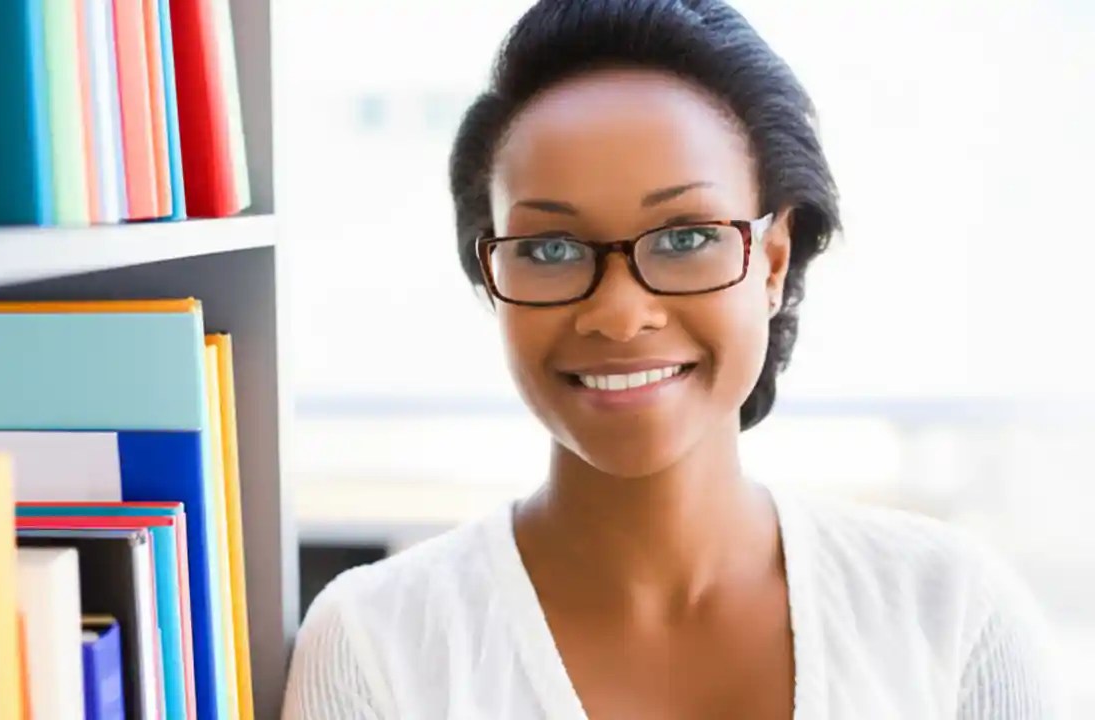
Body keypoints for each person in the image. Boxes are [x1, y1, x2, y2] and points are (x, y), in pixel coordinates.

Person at [282, 1, 1064, 717]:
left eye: (687, 237)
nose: (620, 315)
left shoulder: (953, 614)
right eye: (550, 248)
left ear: (773, 262)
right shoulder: (377, 645)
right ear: (490, 279)